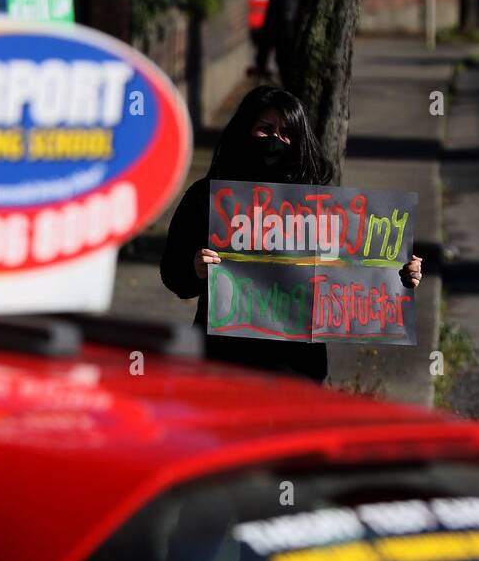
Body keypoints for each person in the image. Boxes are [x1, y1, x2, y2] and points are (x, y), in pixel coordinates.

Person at [160, 85, 423, 383]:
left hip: (298, 371)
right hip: (224, 366)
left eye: (287, 133)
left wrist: (402, 273)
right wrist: (194, 266)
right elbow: (173, 274)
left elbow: (361, 271)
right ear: (243, 131)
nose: (276, 141)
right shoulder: (206, 199)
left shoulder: (323, 210)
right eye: (265, 129)